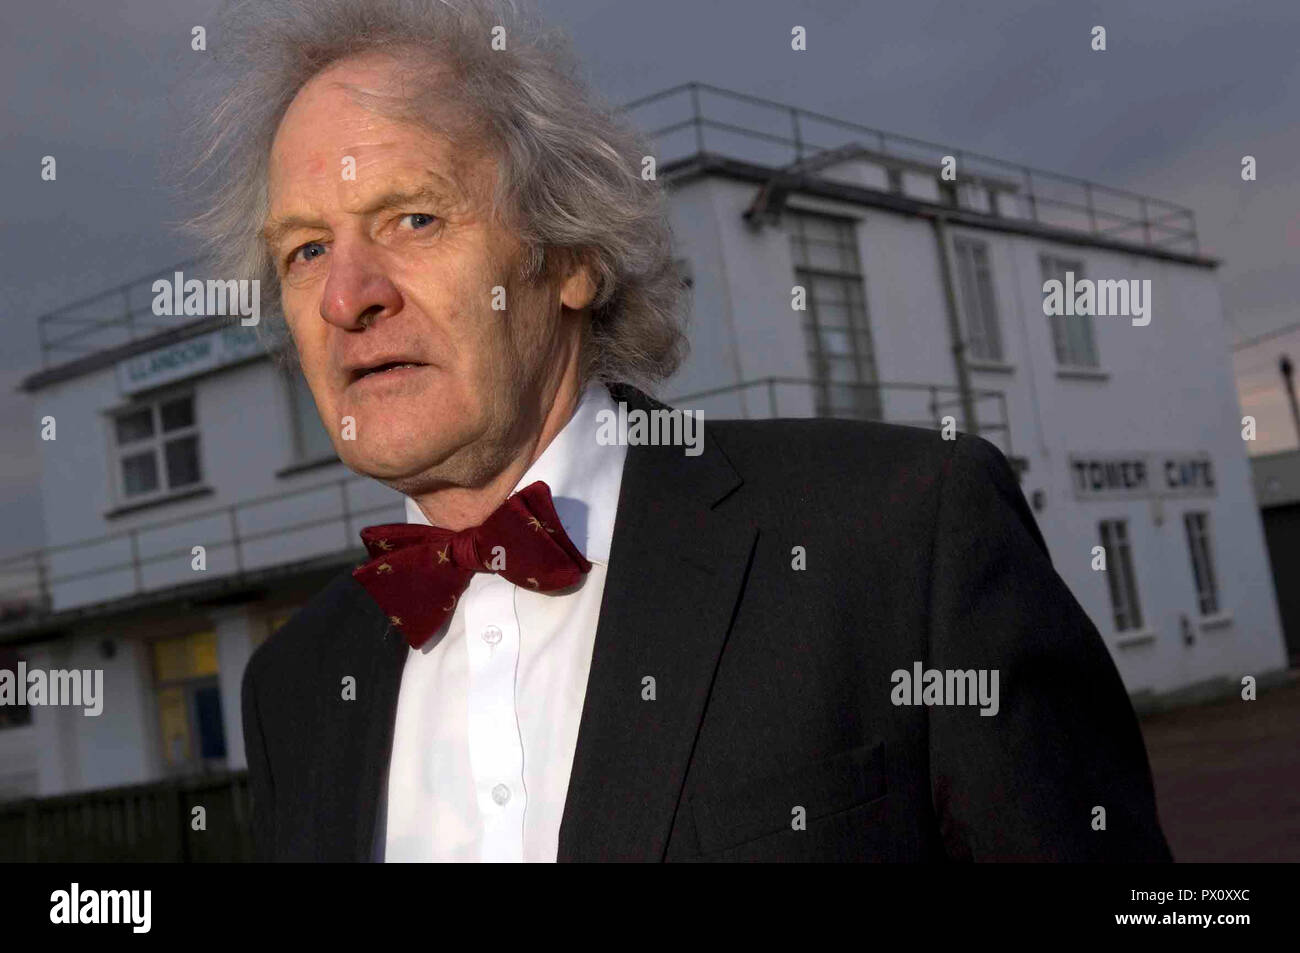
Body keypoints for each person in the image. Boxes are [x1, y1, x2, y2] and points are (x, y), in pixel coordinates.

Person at [204, 0, 1171, 862]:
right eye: (307, 249)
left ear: (572, 256)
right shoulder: (291, 690)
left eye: (413, 218)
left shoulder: (902, 537)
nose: (346, 295)